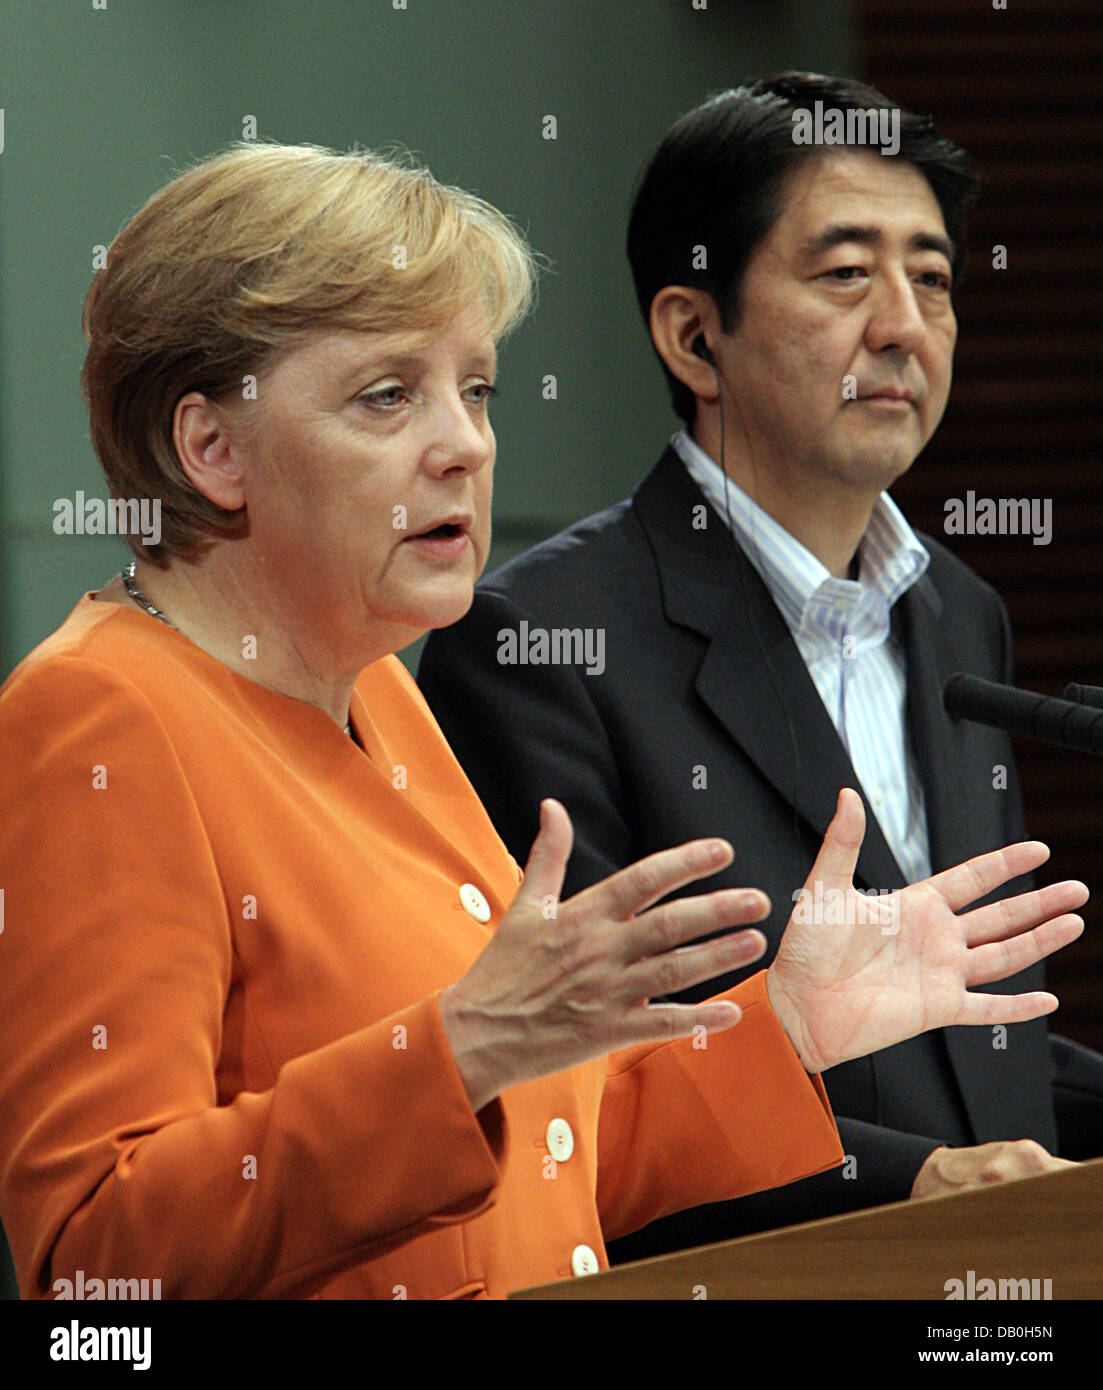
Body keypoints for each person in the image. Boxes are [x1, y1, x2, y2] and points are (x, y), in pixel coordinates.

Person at [0, 140, 1086, 1304]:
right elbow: (96, 1261)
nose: (465, 443)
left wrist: (785, 1024)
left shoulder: (378, 694)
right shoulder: (104, 713)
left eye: (475, 389)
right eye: (386, 395)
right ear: (210, 448)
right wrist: (457, 1047)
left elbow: (555, 1146)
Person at [418, 73, 1103, 1263]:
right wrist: (917, 1187)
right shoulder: (534, 642)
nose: (901, 324)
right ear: (694, 333)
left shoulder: (956, 612)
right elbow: (590, 1081)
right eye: (845, 274)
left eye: (931, 279)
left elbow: (966, 1030)